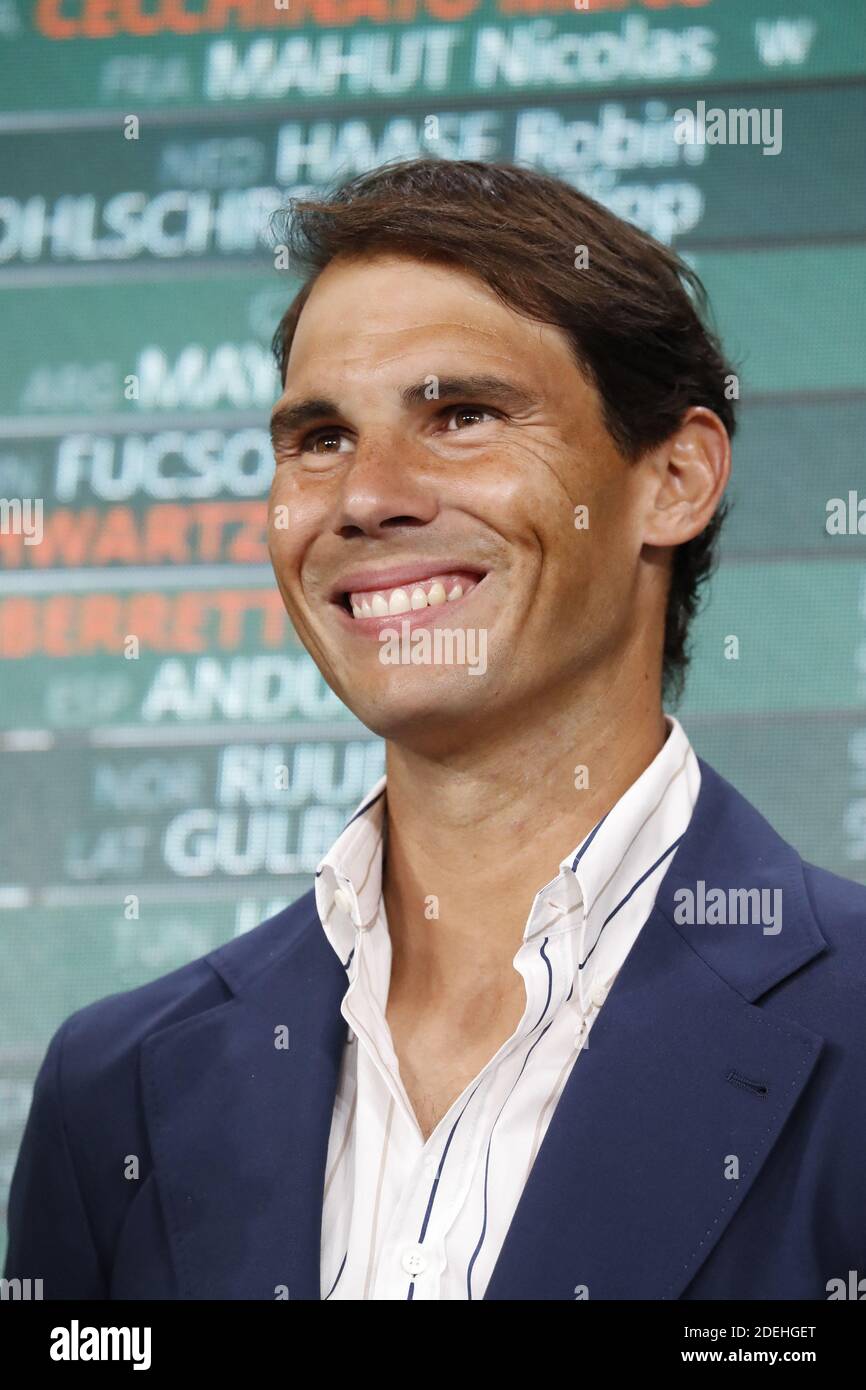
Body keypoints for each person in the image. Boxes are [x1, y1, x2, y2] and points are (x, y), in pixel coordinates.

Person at [6, 160, 866, 1301]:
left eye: (460, 415)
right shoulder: (111, 1088)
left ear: (673, 476)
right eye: (318, 438)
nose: (367, 494)